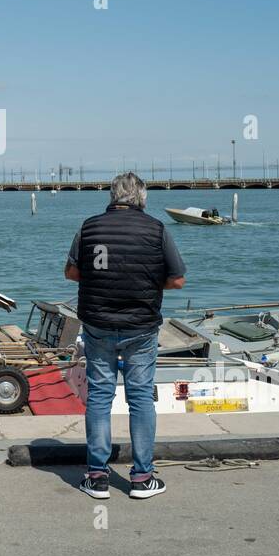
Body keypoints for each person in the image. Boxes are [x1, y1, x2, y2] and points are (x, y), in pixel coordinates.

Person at [65, 172, 185, 500]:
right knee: (141, 398)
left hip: (98, 324)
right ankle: (142, 479)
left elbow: (72, 273)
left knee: (100, 396)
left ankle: (97, 477)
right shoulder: (157, 229)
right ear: (141, 198)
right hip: (142, 327)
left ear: (112, 196)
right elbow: (177, 280)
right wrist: (145, 283)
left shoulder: (89, 227)